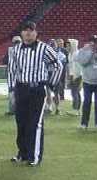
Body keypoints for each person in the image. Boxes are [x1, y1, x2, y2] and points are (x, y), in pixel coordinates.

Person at [6, 21, 65, 166]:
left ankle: (35, 156)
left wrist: (50, 83)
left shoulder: (44, 48)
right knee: (21, 122)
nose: (28, 33)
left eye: (31, 30)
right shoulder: (16, 49)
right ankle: (23, 153)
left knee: (35, 123)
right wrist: (12, 89)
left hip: (37, 89)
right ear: (21, 33)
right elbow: (12, 70)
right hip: (21, 88)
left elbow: (57, 65)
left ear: (36, 33)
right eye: (25, 30)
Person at [76, 34, 97, 130]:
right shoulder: (83, 51)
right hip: (87, 81)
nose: (95, 45)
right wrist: (91, 54)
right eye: (93, 43)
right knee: (87, 102)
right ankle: (84, 123)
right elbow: (83, 63)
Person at [5, 36, 22, 115]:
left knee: (12, 91)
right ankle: (16, 109)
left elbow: (4, 61)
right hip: (19, 75)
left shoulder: (10, 50)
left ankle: (12, 109)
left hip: (15, 75)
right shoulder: (23, 50)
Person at [65, 38, 82, 115]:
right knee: (76, 92)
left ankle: (75, 109)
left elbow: (78, 67)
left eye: (69, 46)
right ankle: (77, 109)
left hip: (77, 75)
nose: (67, 47)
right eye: (67, 46)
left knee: (74, 92)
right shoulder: (70, 54)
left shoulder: (77, 54)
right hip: (73, 75)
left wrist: (76, 77)